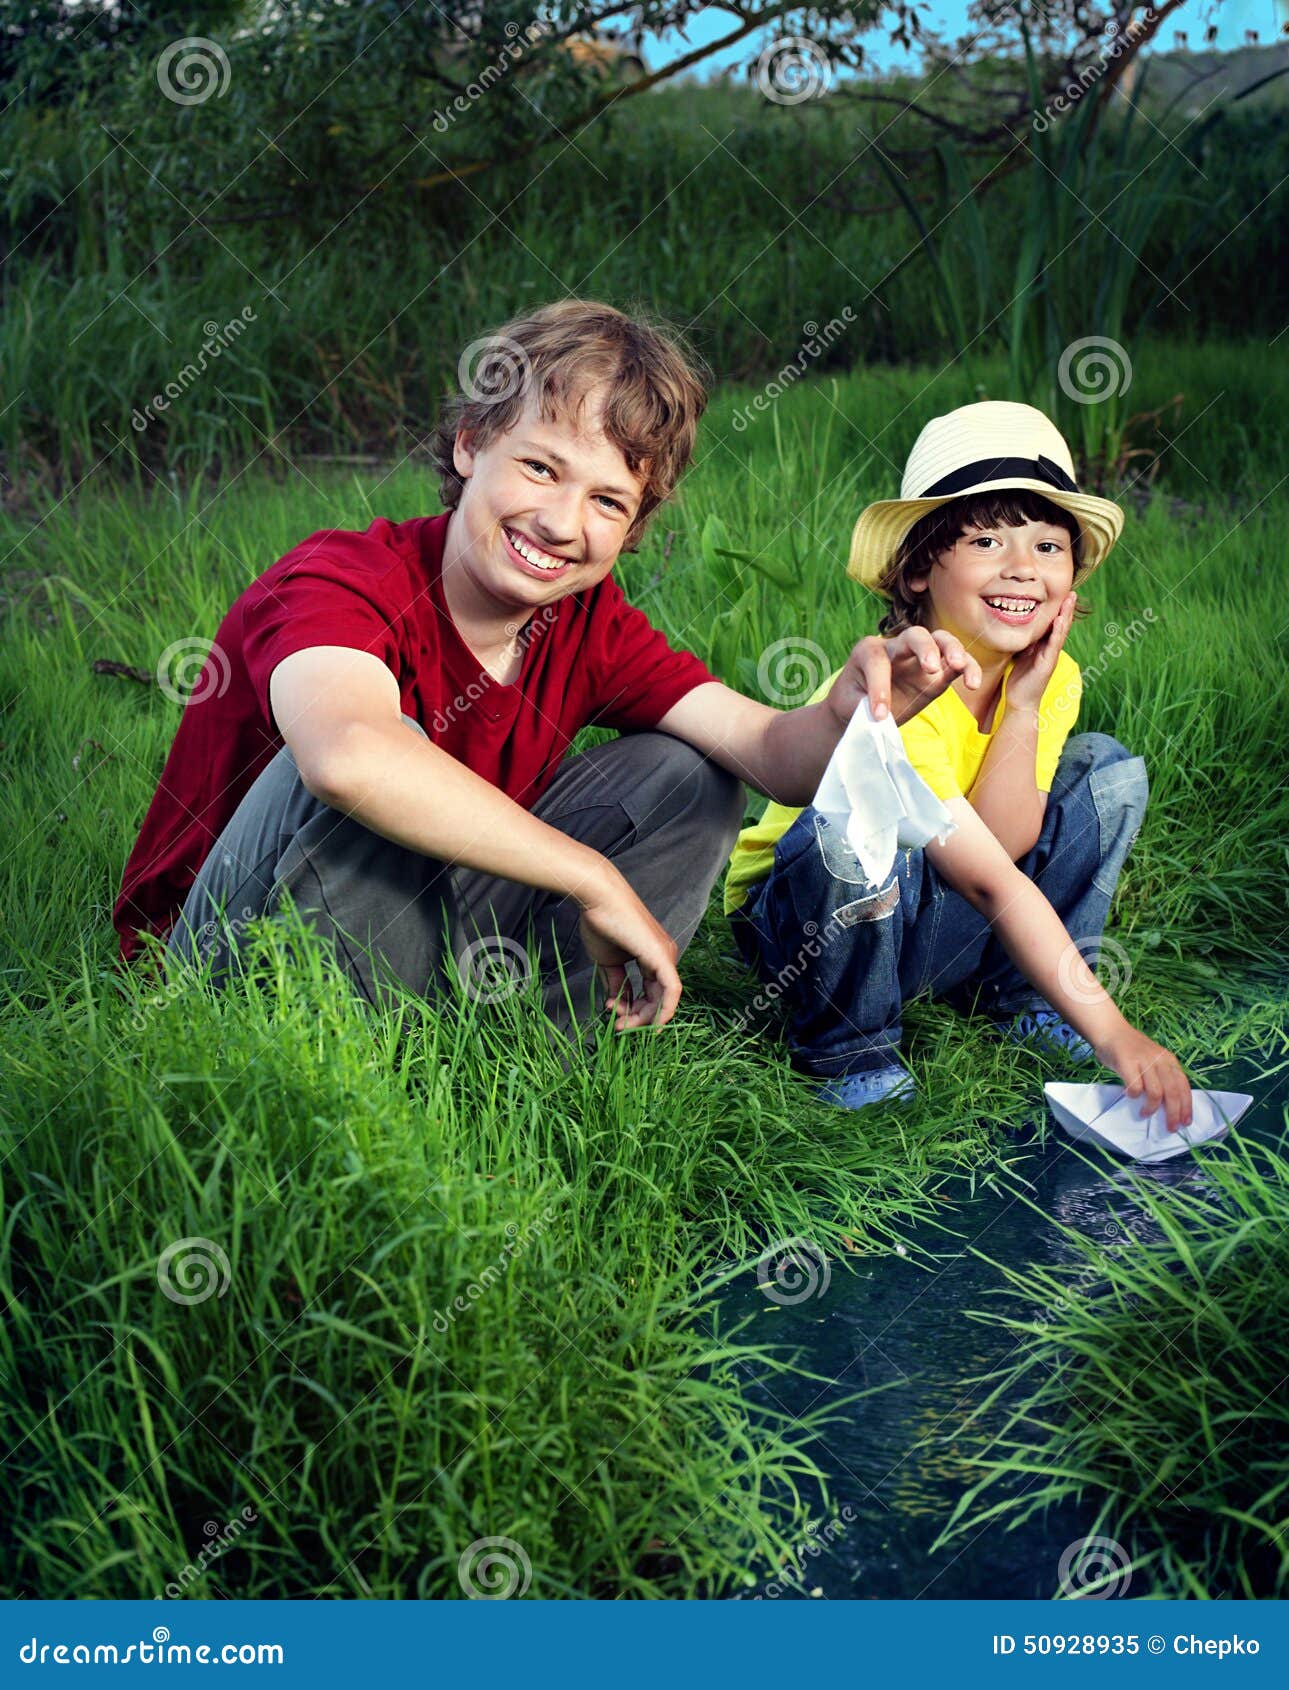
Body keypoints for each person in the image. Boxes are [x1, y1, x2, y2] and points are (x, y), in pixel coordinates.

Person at [113, 298, 976, 1049]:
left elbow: (766, 752)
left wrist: (857, 708)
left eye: (607, 501)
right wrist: (590, 875)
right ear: (468, 445)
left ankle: (534, 1058)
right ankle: (348, 1067)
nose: (562, 522)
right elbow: (349, 759)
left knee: (692, 776)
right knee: (390, 755)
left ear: (633, 527)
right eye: (539, 467)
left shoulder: (583, 622)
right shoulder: (343, 577)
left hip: (411, 933)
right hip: (224, 961)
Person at [725, 400, 1192, 1128]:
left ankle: (1021, 1004)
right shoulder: (894, 688)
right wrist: (1115, 1032)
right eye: (984, 541)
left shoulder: (1048, 676)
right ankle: (851, 1055)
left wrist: (1025, 705)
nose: (1021, 570)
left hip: (929, 906)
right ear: (916, 571)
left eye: (1047, 547)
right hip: (809, 931)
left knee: (1107, 771)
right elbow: (989, 878)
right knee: (863, 825)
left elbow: (1005, 843)